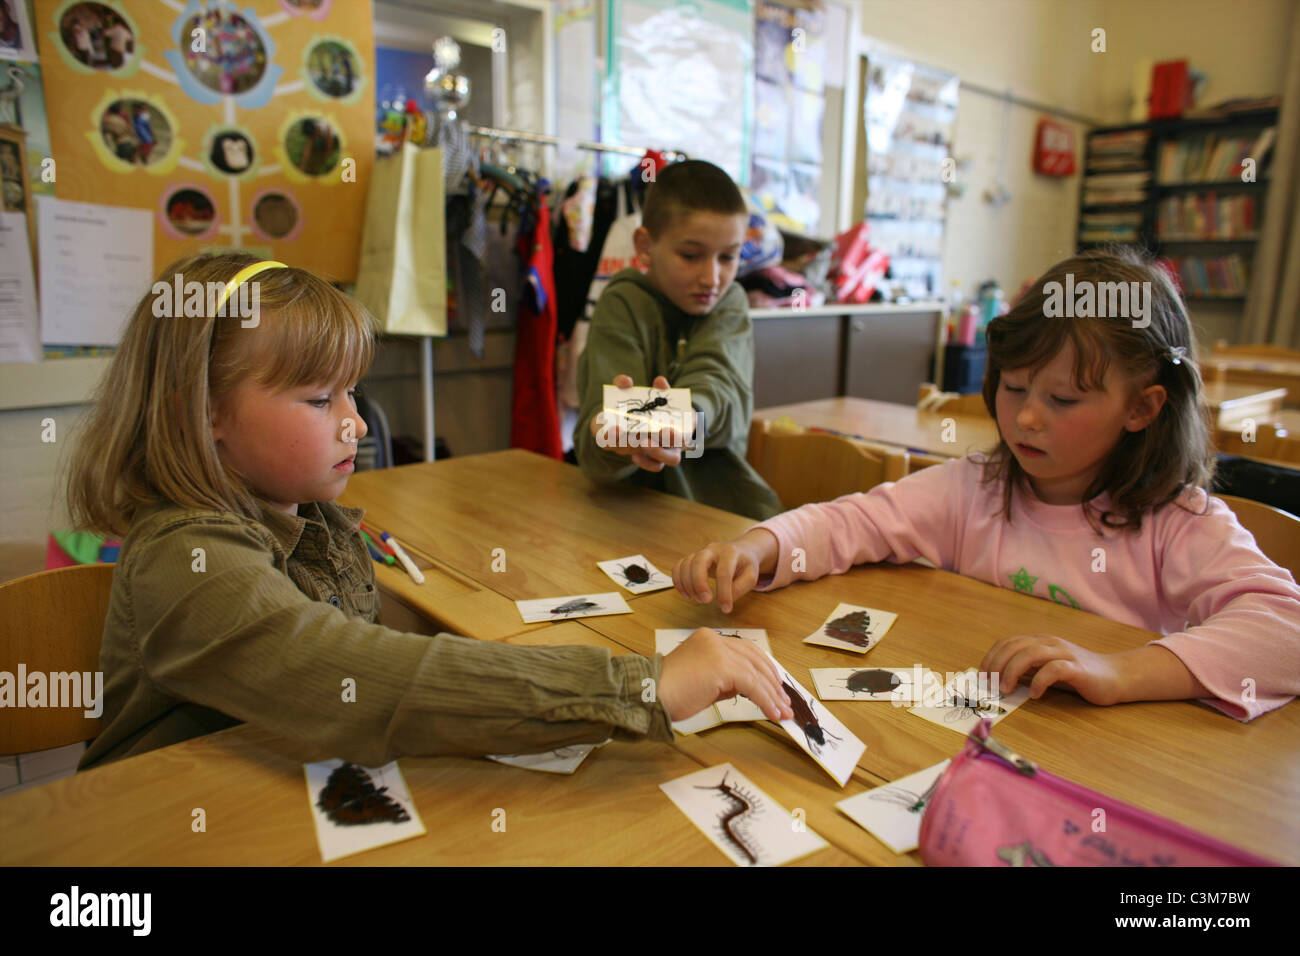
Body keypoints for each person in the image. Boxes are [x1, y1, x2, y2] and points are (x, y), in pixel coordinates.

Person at [66, 254, 790, 770]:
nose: (354, 424)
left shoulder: (303, 512)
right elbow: (347, 672)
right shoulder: (183, 555)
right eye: (321, 400)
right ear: (203, 413)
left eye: (352, 393)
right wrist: (636, 685)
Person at [672, 250, 1300, 720]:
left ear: (1141, 409)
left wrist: (1118, 670)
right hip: (976, 740)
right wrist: (760, 547)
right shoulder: (977, 486)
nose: (1026, 417)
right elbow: (851, 522)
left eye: (1062, 398)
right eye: (1014, 386)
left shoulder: (1177, 520)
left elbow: (1284, 635)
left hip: (1102, 765)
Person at [573, 159, 783, 520]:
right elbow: (597, 451)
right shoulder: (621, 302)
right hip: (621, 518)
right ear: (645, 245)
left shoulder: (729, 302)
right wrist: (611, 436)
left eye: (729, 257)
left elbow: (718, 386)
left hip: (722, 517)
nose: (712, 277)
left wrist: (678, 422)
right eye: (690, 255)